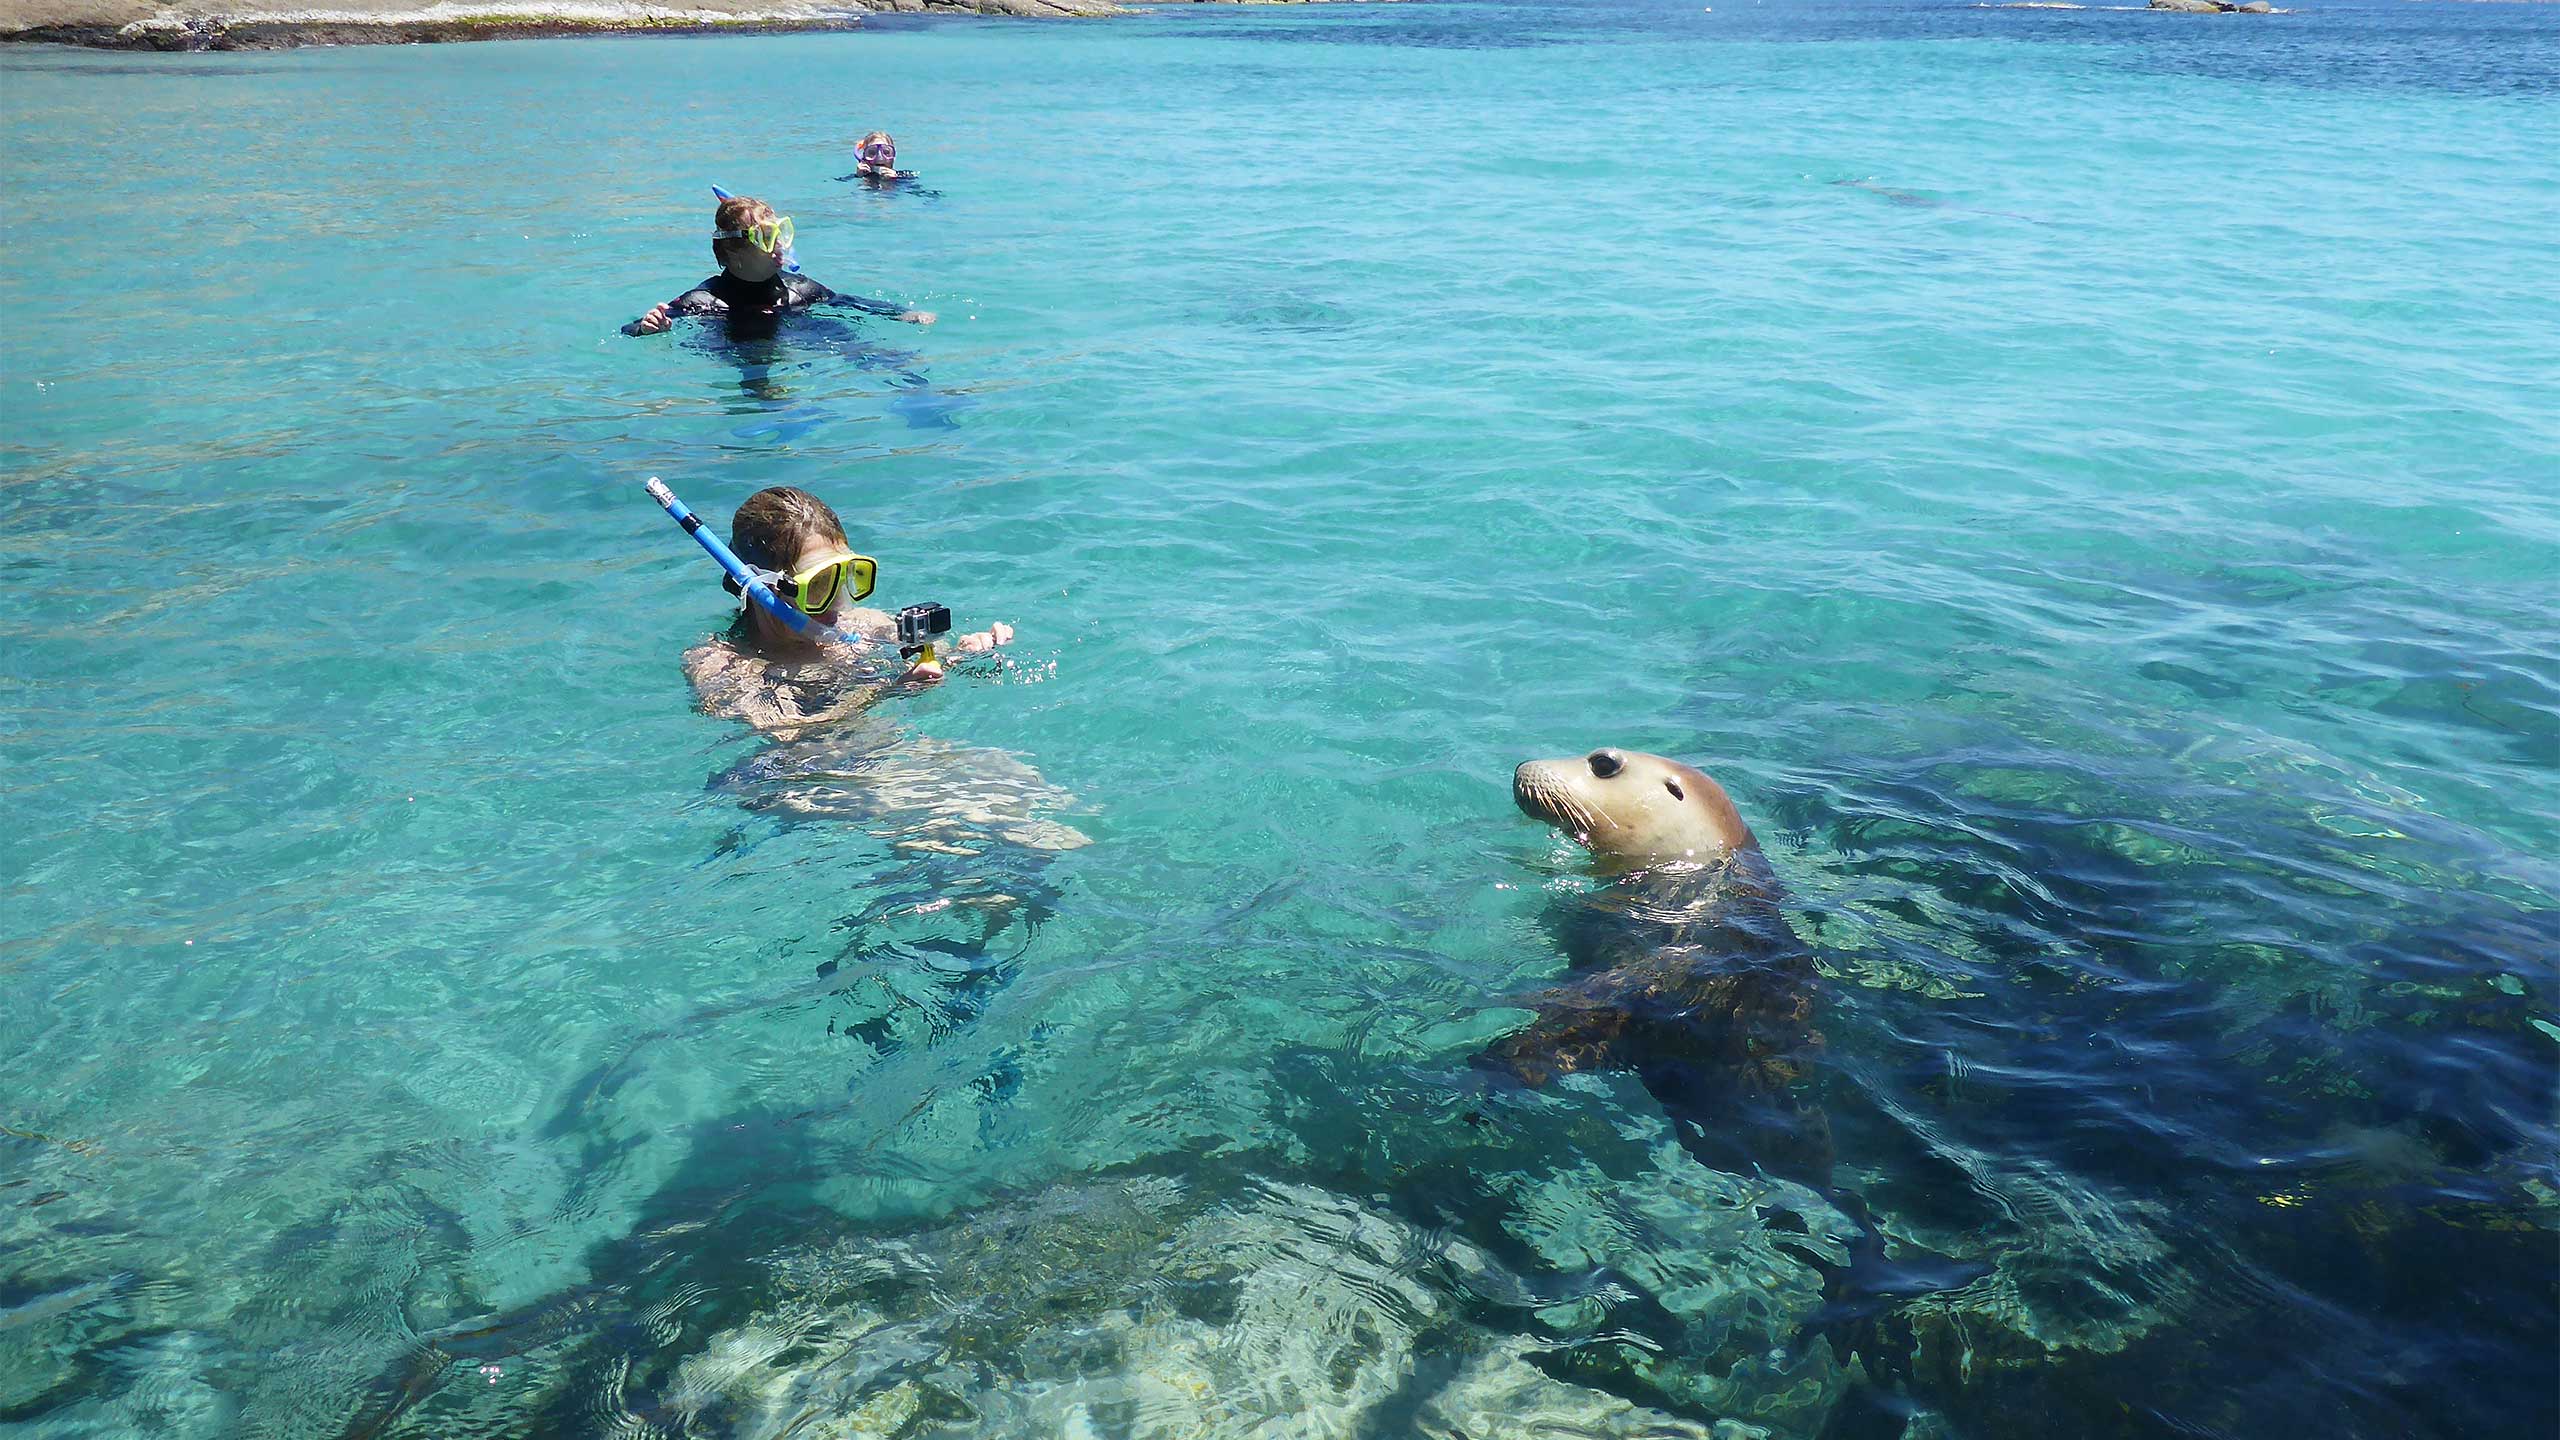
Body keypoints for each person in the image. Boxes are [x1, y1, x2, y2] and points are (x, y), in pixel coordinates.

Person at [683, 486, 1012, 734]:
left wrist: (965, 655)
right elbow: (783, 731)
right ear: (763, 591)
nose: (839, 604)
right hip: (800, 785)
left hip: (885, 752)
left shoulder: (863, 625)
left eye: (848, 577)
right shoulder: (722, 663)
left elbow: (932, 657)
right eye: (820, 586)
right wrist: (888, 691)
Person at [625, 195, 934, 337]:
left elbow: (850, 302)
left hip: (799, 330)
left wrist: (900, 314)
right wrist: (647, 327)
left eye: (780, 233)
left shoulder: (799, 289)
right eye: (766, 236)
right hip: (734, 343)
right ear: (733, 252)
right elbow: (631, 328)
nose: (780, 245)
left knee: (862, 349)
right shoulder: (705, 300)